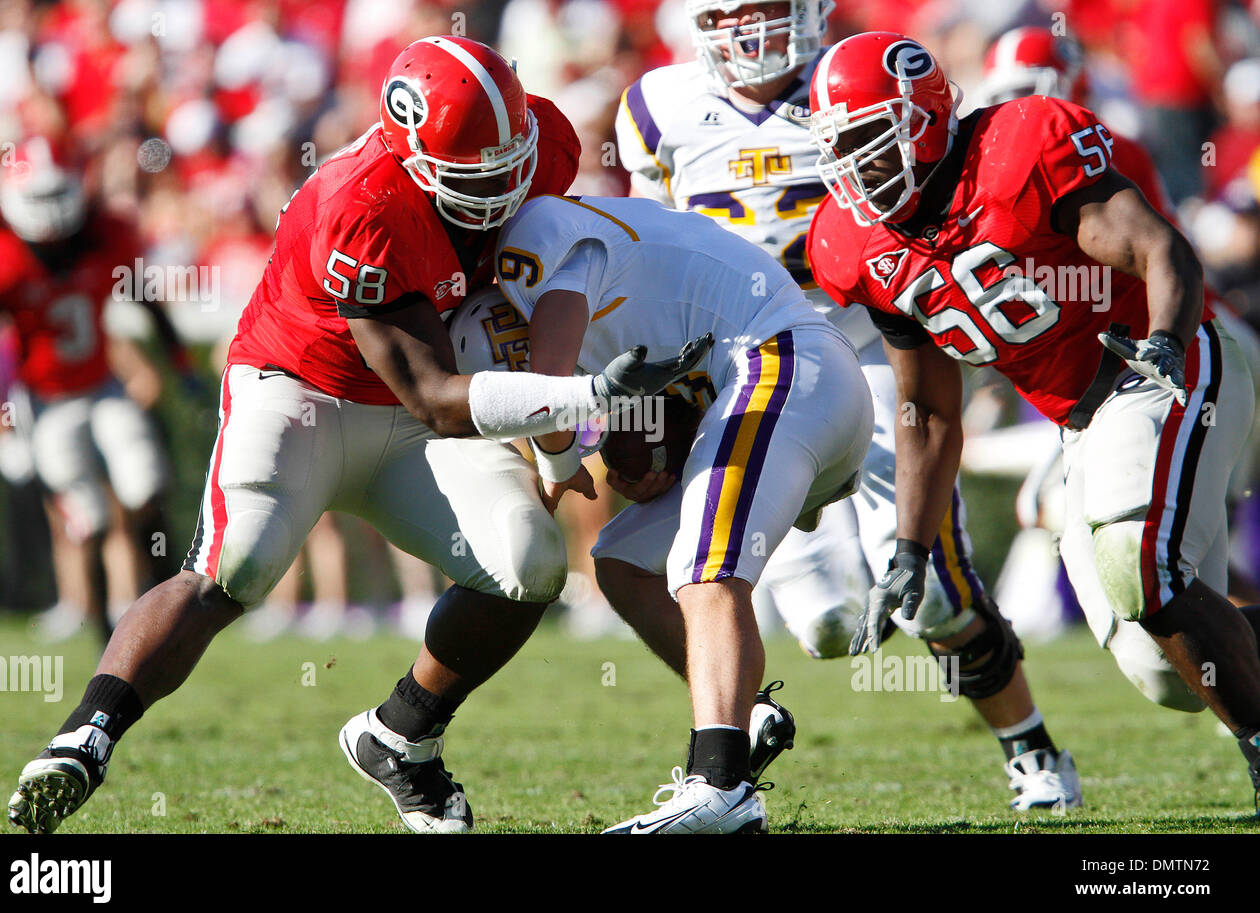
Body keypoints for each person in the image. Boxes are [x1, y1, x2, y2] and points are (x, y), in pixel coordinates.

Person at [5, 35, 704, 836]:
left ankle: (403, 734)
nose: (503, 187)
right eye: (474, 176)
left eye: (510, 161)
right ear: (410, 154)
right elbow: (438, 397)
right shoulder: (356, 205)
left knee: (528, 563)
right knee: (233, 569)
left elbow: (541, 277)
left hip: (418, 412)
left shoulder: (533, 139)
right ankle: (83, 737)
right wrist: (578, 405)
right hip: (303, 393)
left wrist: (562, 433)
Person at [613, 0, 1081, 809]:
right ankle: (738, 727)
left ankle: (1032, 746)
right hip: (743, 368)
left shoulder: (850, 82)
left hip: (865, 350)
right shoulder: (656, 108)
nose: (756, 34)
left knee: (931, 585)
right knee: (826, 624)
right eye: (736, 15)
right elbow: (652, 247)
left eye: (771, 12)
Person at [807, 31, 1260, 807]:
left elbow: (1161, 249)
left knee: (1140, 566)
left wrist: (1163, 346)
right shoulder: (858, 241)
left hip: (1163, 368)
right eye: (841, 151)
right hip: (1079, 424)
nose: (857, 171)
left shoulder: (1019, 145)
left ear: (919, 120)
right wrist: (912, 549)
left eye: (870, 144)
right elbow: (929, 407)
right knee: (1170, 675)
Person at [489, 192, 873, 833]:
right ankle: (743, 720)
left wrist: (553, 475)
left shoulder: (535, 236)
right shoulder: (594, 249)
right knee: (623, 563)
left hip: (788, 365)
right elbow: (652, 383)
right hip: (770, 391)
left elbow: (550, 389)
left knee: (707, 570)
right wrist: (650, 453)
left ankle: (719, 785)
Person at [0, 138, 182, 645]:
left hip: (103, 387)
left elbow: (147, 299)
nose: (49, 214)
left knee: (146, 485)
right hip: (45, 401)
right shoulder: (0, 254)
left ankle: (162, 589)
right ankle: (105, 624)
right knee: (88, 515)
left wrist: (181, 361)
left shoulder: (105, 235)